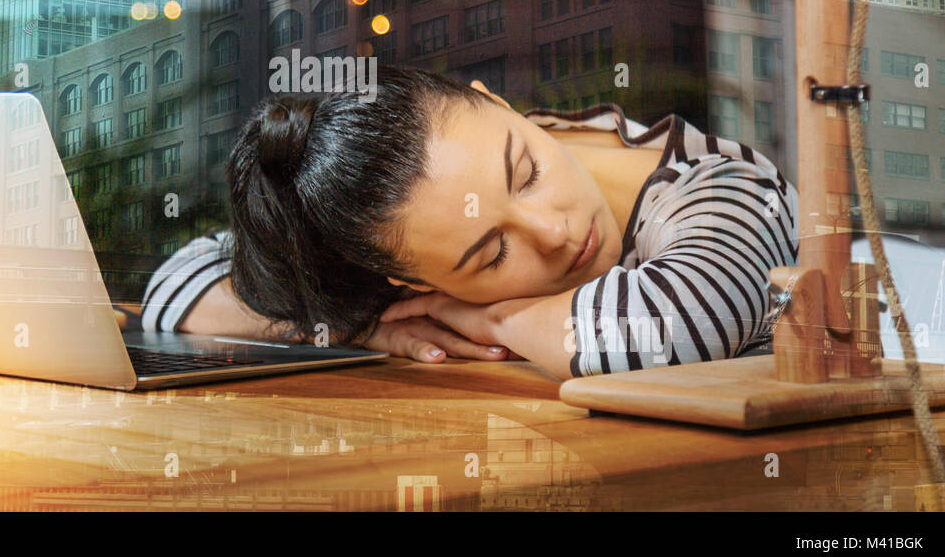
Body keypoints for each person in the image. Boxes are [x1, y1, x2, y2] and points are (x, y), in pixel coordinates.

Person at [141, 66, 798, 381]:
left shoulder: (726, 185)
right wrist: (365, 323)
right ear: (411, 280)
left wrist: (486, 319)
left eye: (527, 171)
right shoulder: (415, 245)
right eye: (490, 254)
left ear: (497, 103)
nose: (553, 232)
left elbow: (689, 318)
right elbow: (175, 291)